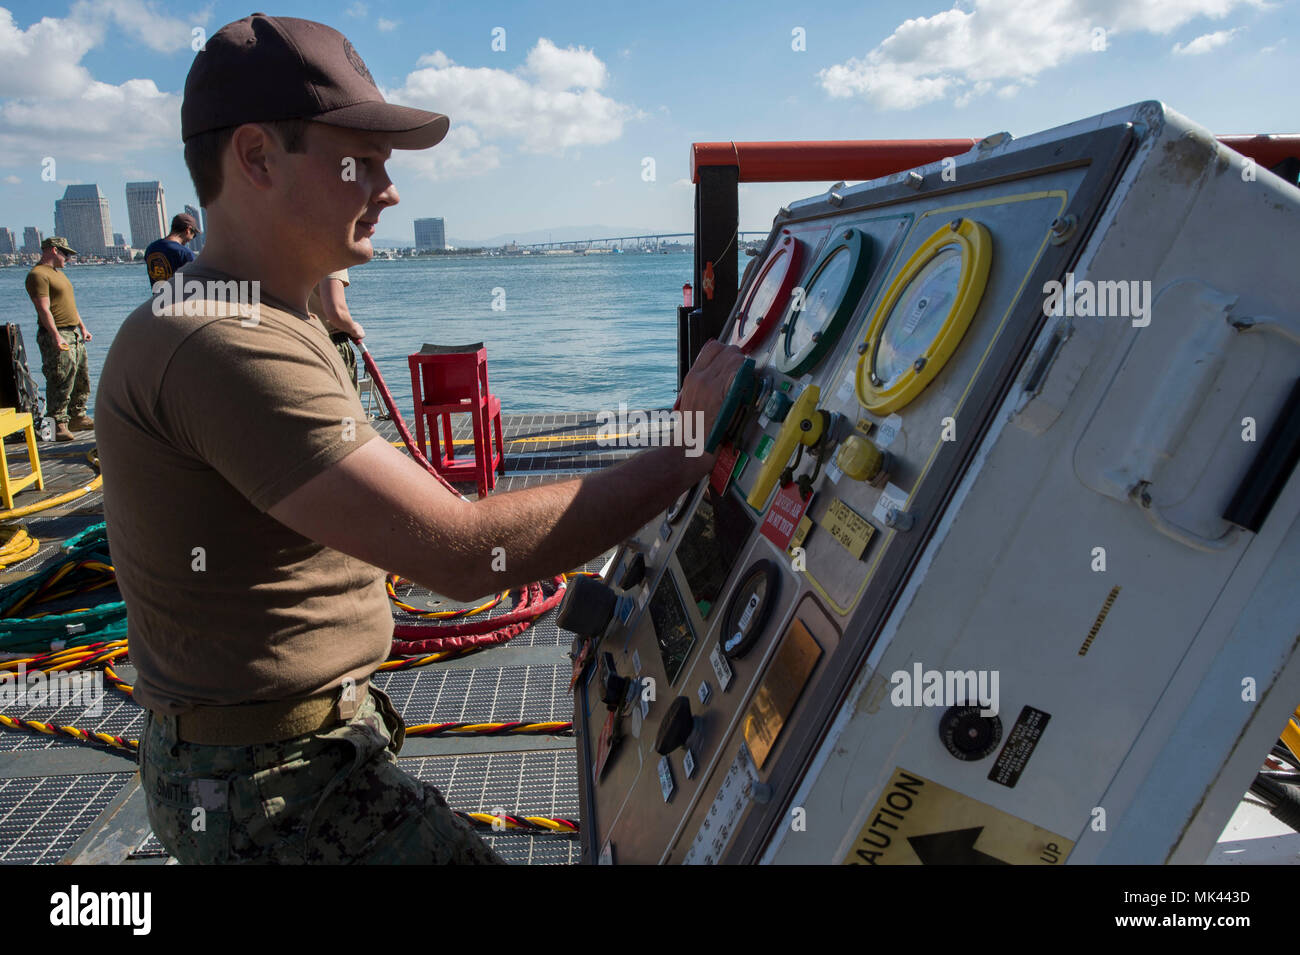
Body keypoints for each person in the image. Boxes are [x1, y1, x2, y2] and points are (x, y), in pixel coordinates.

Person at [95, 14, 744, 865]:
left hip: (285, 747)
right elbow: (465, 555)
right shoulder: (223, 342)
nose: (389, 189)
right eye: (358, 161)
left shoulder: (244, 309)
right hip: (274, 784)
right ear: (256, 158)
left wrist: (312, 282)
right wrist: (688, 445)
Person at [25, 237, 93, 441]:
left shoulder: (58, 275)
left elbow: (68, 305)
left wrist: (82, 327)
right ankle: (53, 428)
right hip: (57, 333)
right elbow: (43, 308)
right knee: (59, 378)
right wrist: (55, 335)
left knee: (81, 377)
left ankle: (77, 416)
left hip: (72, 332)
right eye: (66, 254)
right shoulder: (38, 275)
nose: (69, 258)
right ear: (54, 250)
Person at [308, 269, 363, 392]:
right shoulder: (328, 251)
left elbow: (254, 317)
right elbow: (336, 311)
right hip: (327, 345)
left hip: (284, 340)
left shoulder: (261, 253)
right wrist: (354, 329)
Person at [144, 213, 200, 285]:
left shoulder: (150, 249)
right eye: (194, 235)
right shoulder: (184, 253)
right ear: (188, 230)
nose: (192, 239)